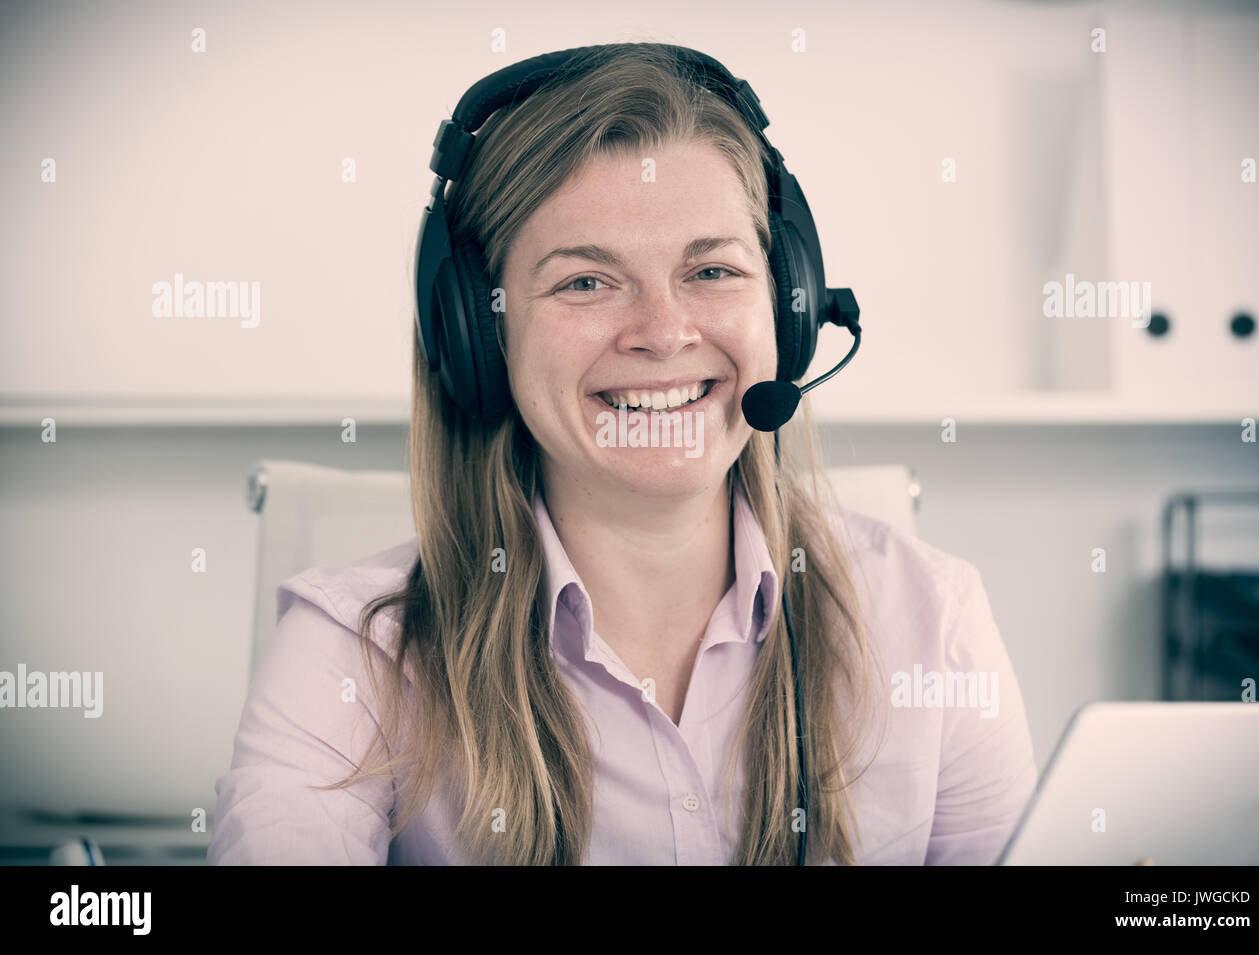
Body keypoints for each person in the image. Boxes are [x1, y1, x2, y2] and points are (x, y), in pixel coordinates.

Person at [208, 43, 1036, 866]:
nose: (664, 332)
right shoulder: (353, 659)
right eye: (586, 282)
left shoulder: (935, 626)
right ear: (477, 334)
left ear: (789, 307)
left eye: (711, 269)